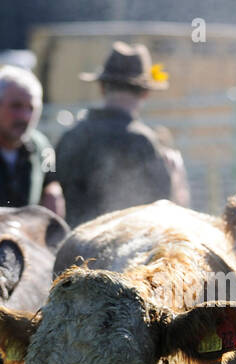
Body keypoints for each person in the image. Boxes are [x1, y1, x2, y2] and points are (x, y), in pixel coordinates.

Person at [55, 42, 175, 228]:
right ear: (145, 93)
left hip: (74, 246)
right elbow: (163, 205)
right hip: (128, 247)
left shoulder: (72, 136)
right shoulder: (145, 142)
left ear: (102, 87)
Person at [0, 64, 61, 215]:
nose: (25, 116)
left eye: (31, 108)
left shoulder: (43, 147)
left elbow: (50, 179)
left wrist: (52, 193)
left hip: (25, 235)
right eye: (16, 106)